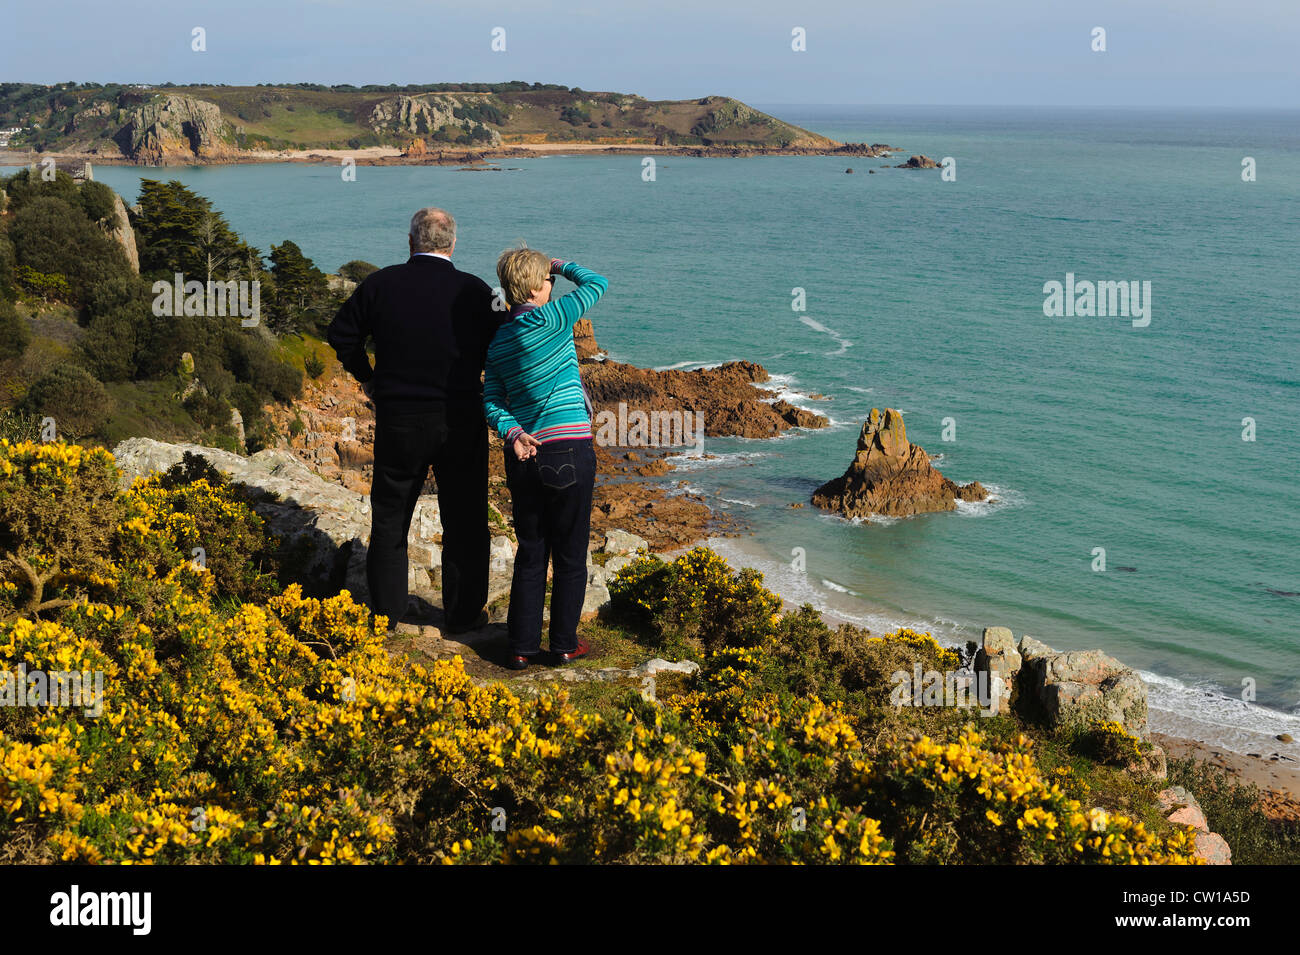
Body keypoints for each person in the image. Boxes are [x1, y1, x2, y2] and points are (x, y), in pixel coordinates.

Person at [327, 207, 500, 633]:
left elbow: (341, 334)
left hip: (399, 418)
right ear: (453, 244)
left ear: (411, 243)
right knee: (465, 520)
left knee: (391, 517)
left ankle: (387, 614)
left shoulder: (381, 284)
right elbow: (505, 347)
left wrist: (368, 379)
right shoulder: (476, 291)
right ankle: (462, 616)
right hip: (460, 419)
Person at [484, 246, 608, 669]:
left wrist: (513, 432)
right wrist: (557, 262)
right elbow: (598, 282)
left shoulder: (499, 339)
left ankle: (520, 647)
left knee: (532, 551)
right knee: (571, 554)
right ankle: (563, 645)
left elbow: (491, 400)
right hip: (568, 450)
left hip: (523, 455)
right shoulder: (552, 317)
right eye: (548, 280)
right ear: (538, 286)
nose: (553, 285)